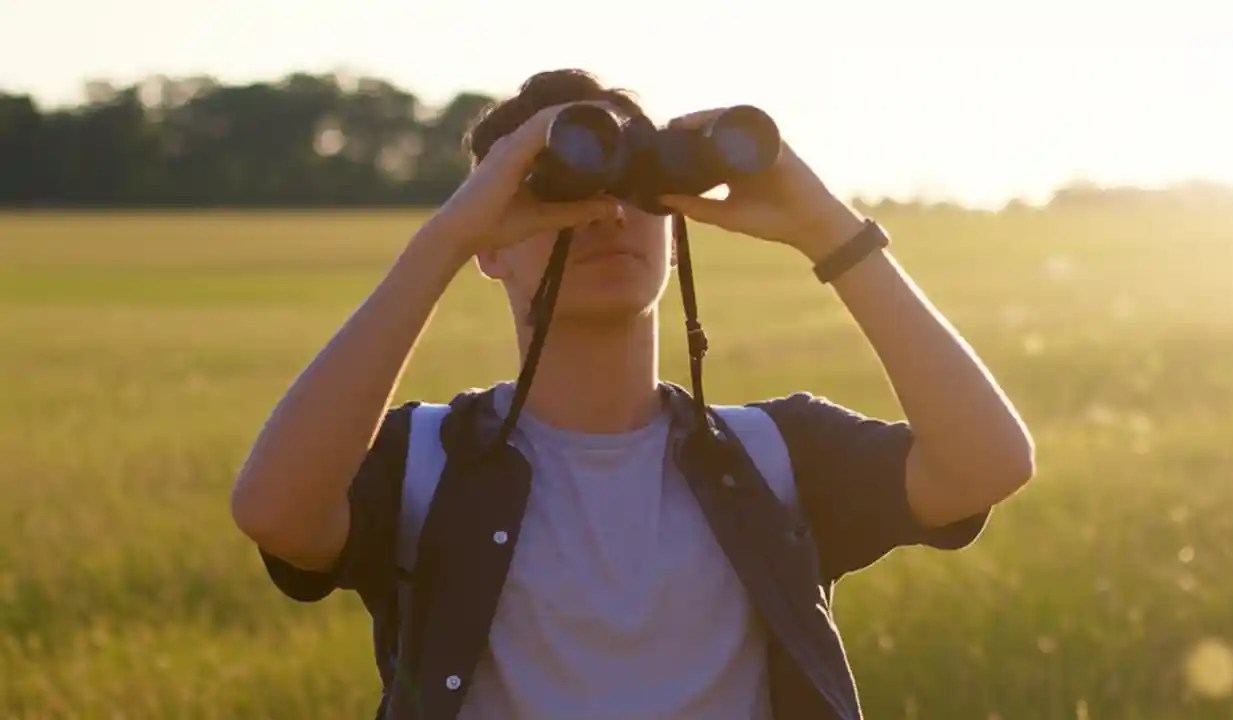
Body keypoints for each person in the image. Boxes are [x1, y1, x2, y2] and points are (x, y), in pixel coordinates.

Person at [230, 69, 1036, 720]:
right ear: (492, 249)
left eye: (638, 188)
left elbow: (987, 464)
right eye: (552, 195)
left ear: (676, 238)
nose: (606, 215)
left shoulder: (772, 456)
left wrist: (827, 227)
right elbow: (275, 512)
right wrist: (442, 243)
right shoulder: (422, 463)